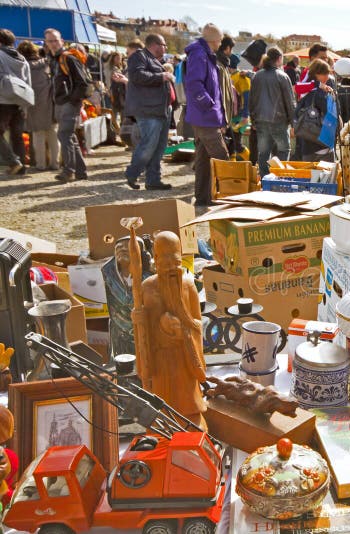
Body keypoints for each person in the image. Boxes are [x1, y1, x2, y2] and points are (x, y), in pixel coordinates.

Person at [134, 231, 207, 429]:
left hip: (184, 358)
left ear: (181, 257)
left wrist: (181, 330)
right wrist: (138, 319)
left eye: (175, 262)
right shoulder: (146, 287)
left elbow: (198, 324)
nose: (171, 269)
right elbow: (143, 333)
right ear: (155, 259)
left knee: (188, 402)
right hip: (160, 359)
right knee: (161, 405)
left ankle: (191, 421)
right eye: (165, 263)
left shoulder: (188, 286)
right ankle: (163, 423)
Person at [184, 23, 229, 207]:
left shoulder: (203, 54)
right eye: (219, 39)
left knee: (203, 158)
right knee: (221, 157)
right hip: (206, 117)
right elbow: (194, 84)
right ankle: (223, 197)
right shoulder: (200, 55)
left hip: (205, 116)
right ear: (215, 40)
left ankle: (203, 198)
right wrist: (209, 106)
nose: (220, 43)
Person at [123, 33, 174, 190]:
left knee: (159, 147)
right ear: (155, 45)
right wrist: (162, 76)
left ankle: (153, 180)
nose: (165, 48)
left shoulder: (154, 60)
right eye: (164, 45)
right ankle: (132, 172)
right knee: (148, 145)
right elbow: (137, 76)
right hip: (148, 110)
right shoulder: (139, 57)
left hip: (160, 109)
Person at [44, 28, 88, 182]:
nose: (53, 43)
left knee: (64, 135)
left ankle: (69, 171)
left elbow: (82, 83)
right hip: (60, 102)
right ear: (46, 43)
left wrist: (72, 100)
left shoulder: (68, 58)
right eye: (50, 41)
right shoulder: (52, 58)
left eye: (56, 40)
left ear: (62, 41)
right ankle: (81, 171)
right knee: (70, 137)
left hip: (69, 102)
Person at [102, 236, 153, 357]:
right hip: (120, 331)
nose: (123, 249)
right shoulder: (108, 274)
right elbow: (125, 299)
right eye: (119, 247)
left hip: (144, 330)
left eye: (129, 247)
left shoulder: (148, 277)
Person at [250, 46, 295, 174]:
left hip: (261, 120)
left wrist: (253, 120)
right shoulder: (282, 76)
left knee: (263, 153)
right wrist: (293, 123)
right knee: (283, 151)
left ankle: (265, 182)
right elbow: (290, 102)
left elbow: (252, 101)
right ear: (279, 58)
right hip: (279, 121)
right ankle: (279, 179)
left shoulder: (257, 76)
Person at [18, 41, 57, 172]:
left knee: (38, 136)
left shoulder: (23, 68)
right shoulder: (46, 63)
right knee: (53, 134)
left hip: (33, 106)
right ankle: (55, 163)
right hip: (50, 104)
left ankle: (41, 164)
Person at [0, 29, 31, 176]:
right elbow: (28, 82)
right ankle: (22, 168)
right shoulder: (23, 59)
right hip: (20, 100)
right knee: (17, 135)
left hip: (3, 100)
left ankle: (13, 162)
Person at [294, 59, 335, 162]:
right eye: (325, 73)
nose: (327, 76)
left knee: (309, 176)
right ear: (317, 74)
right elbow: (331, 117)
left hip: (307, 143)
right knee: (326, 177)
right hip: (323, 145)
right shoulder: (320, 93)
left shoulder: (307, 92)